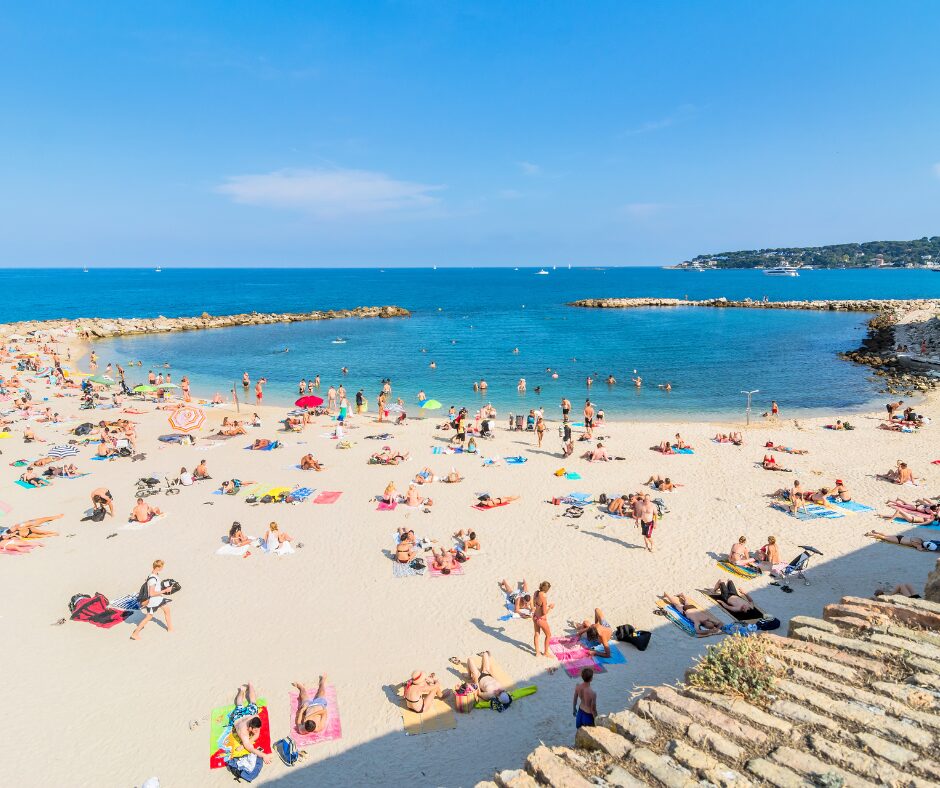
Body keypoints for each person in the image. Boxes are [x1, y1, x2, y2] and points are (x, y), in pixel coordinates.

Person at [229, 683, 271, 765]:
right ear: (250, 728)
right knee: (239, 704)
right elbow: (250, 748)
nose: (256, 731)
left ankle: (250, 685)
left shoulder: (256, 720)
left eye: (257, 729)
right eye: (255, 729)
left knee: (252, 703)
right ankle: (242, 690)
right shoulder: (243, 732)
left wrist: (244, 745)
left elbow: (257, 735)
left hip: (249, 715)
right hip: (238, 718)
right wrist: (263, 755)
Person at [130, 559, 174, 640]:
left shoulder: (153, 576)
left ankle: (170, 629)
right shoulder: (152, 579)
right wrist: (165, 591)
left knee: (163, 611)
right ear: (158, 567)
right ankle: (135, 634)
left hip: (156, 600)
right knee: (150, 616)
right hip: (154, 601)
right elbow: (151, 593)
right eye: (161, 567)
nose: (162, 568)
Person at [532, 581, 553, 657]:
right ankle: (546, 652)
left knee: (536, 634)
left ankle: (537, 652)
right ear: (546, 589)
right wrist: (550, 607)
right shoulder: (543, 597)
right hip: (541, 619)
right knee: (548, 635)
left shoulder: (536, 593)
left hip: (535, 617)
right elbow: (544, 612)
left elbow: (534, 604)